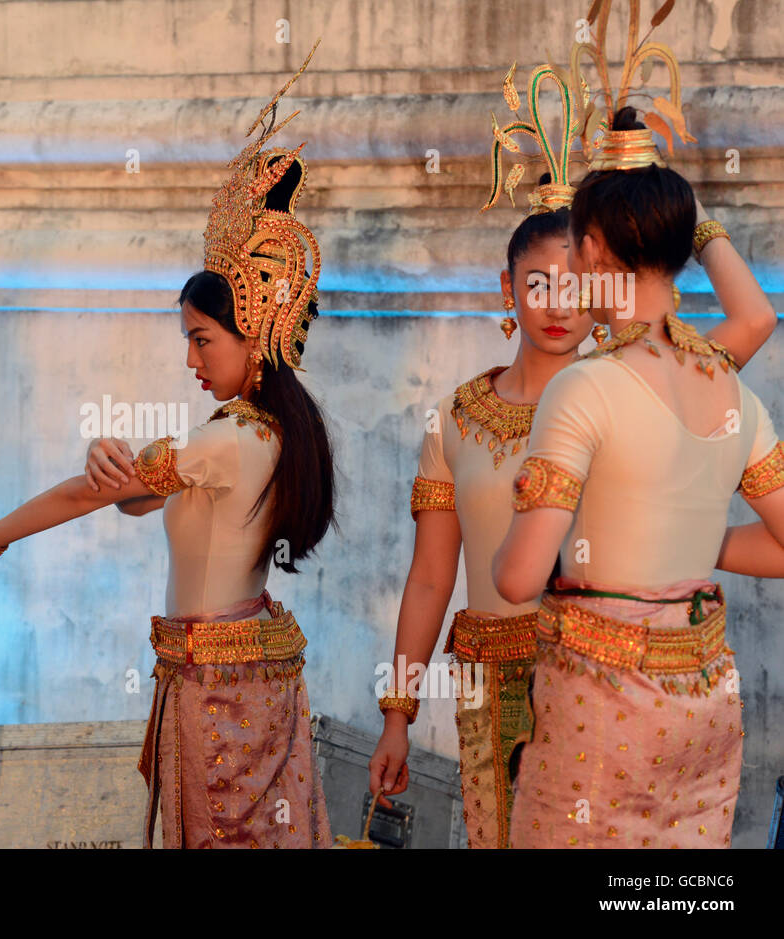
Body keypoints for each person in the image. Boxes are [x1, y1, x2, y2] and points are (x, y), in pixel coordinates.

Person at [0, 47, 336, 848]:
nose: (191, 360)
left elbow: (97, 494)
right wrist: (125, 478)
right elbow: (144, 491)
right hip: (237, 673)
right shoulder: (268, 428)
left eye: (202, 340)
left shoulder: (233, 436)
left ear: (252, 334)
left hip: (217, 688)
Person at [368, 64, 774, 848]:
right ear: (507, 289)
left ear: (599, 268)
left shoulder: (641, 381)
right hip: (498, 683)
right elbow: (429, 577)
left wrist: (666, 214)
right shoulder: (457, 417)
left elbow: (753, 323)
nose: (557, 303)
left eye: (571, 279)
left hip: (608, 677)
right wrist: (397, 712)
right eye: (536, 284)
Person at [491, 95, 784, 848]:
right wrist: (683, 543)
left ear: (588, 248)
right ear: (680, 250)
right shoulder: (728, 386)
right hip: (702, 710)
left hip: (602, 710)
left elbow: (519, 579)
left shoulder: (585, 387)